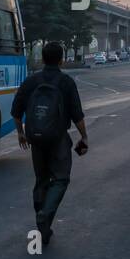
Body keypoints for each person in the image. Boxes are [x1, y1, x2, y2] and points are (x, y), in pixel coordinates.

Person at [11, 42, 88, 247]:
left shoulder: (31, 81)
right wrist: (84, 137)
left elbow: (16, 110)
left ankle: (43, 226)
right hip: (58, 138)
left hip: (35, 138)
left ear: (43, 59)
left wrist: (20, 133)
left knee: (41, 179)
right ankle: (45, 214)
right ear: (61, 59)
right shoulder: (66, 82)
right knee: (61, 178)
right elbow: (77, 114)